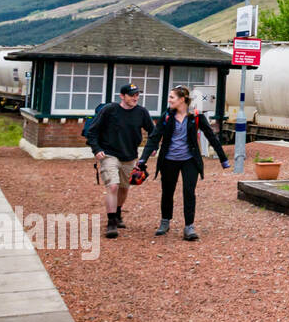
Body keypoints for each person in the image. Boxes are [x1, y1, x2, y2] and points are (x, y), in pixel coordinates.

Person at [137, 86, 229, 242]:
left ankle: (189, 227)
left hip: (189, 160)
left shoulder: (196, 117)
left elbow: (211, 136)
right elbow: (154, 137)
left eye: (172, 97)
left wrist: (223, 158)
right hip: (169, 160)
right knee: (167, 191)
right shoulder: (167, 116)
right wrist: (143, 159)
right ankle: (165, 221)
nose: (169, 100)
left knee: (188, 191)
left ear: (182, 99)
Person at [88, 83, 156, 239]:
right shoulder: (109, 110)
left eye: (137, 95)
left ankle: (118, 213)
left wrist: (153, 147)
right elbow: (92, 131)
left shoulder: (142, 112)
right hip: (109, 154)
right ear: (122, 96)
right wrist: (97, 149)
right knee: (112, 186)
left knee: (124, 188)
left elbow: (153, 132)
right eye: (132, 95)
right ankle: (111, 222)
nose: (135, 98)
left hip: (130, 156)